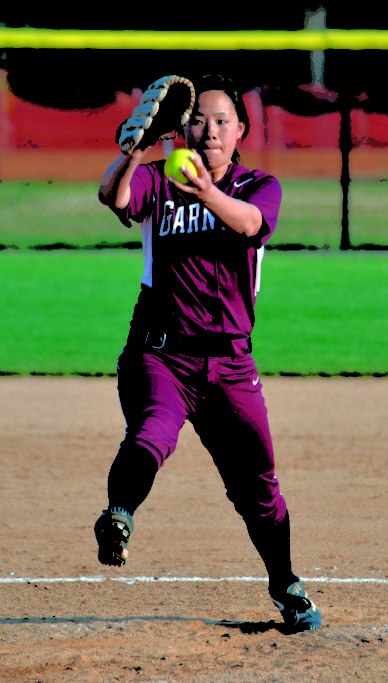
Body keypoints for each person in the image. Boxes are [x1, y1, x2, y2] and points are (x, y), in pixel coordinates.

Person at [94, 74, 321, 632]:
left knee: (257, 485)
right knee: (152, 431)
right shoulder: (156, 180)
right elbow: (113, 196)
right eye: (199, 120)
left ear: (242, 130)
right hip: (161, 353)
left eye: (223, 121)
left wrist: (207, 193)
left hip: (229, 364)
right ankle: (119, 516)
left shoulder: (258, 185)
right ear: (183, 128)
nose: (210, 130)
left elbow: (250, 224)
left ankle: (286, 585)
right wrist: (133, 152)